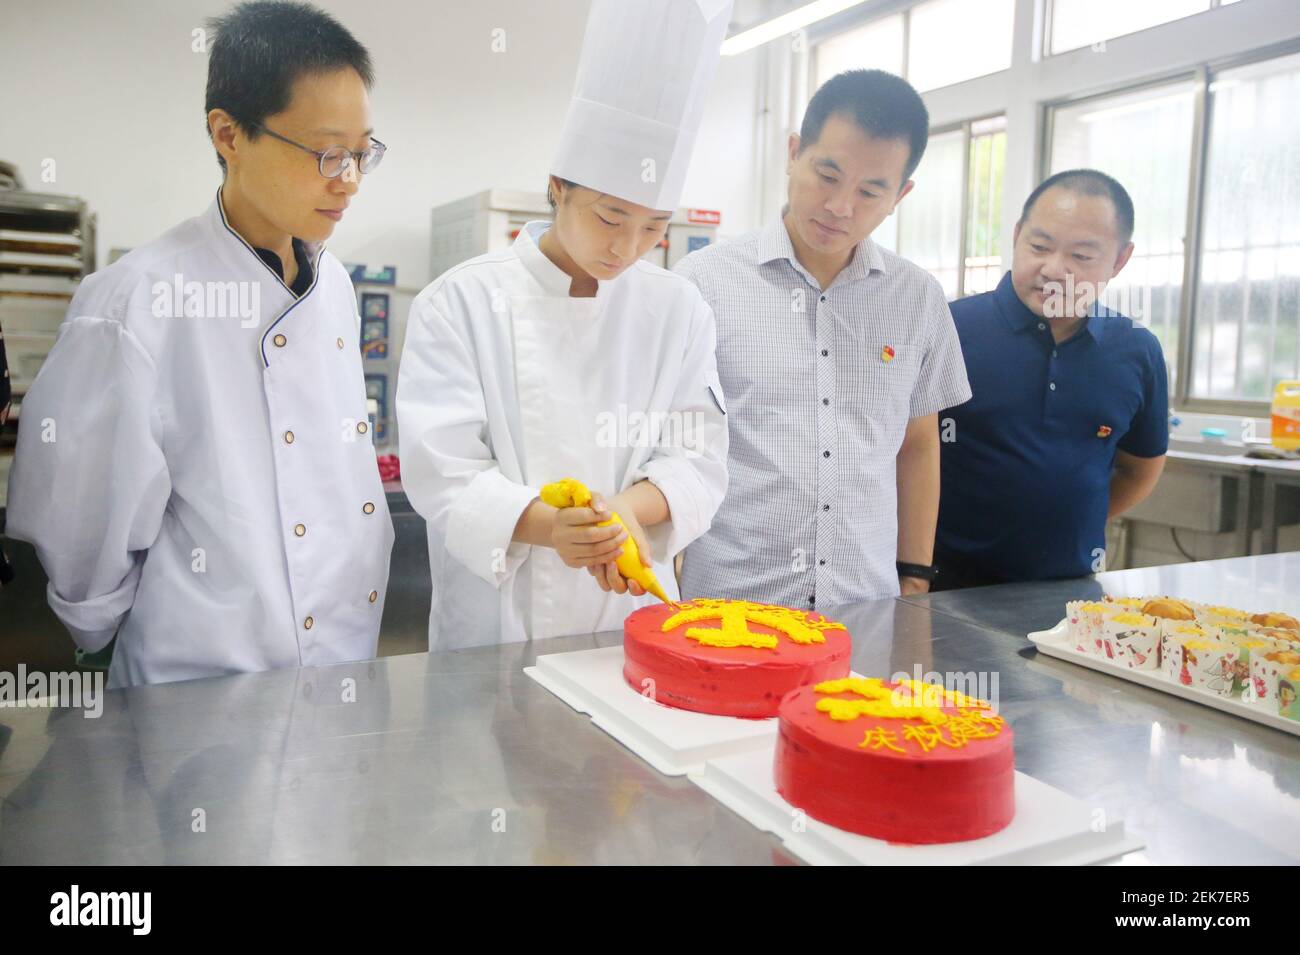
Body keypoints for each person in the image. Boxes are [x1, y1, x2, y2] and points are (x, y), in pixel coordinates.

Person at [5, 0, 393, 686]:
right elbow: (83, 527)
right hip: (194, 688)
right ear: (229, 134)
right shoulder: (136, 299)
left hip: (343, 667)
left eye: (362, 153)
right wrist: (99, 633)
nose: (350, 179)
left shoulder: (334, 285)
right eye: (328, 152)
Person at [397, 0, 731, 650]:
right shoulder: (459, 301)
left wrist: (627, 515)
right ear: (557, 186)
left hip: (629, 618)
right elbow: (443, 471)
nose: (627, 247)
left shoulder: (677, 308)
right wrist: (553, 528)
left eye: (654, 228)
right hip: (496, 631)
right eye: (611, 217)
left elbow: (699, 454)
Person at [674, 69, 971, 610]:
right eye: (826, 175)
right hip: (728, 602)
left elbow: (920, 444)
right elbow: (672, 439)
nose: (840, 206)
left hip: (864, 603)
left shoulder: (918, 298)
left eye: (870, 191)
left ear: (900, 194)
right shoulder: (701, 283)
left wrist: (915, 574)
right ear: (793, 153)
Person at [934, 169, 1168, 589]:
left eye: (1081, 257)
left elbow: (1139, 470)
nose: (1054, 269)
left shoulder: (1136, 350)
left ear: (1120, 260)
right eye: (1039, 246)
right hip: (942, 590)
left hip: (1071, 594)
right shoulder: (947, 328)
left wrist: (1067, 522)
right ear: (1017, 235)